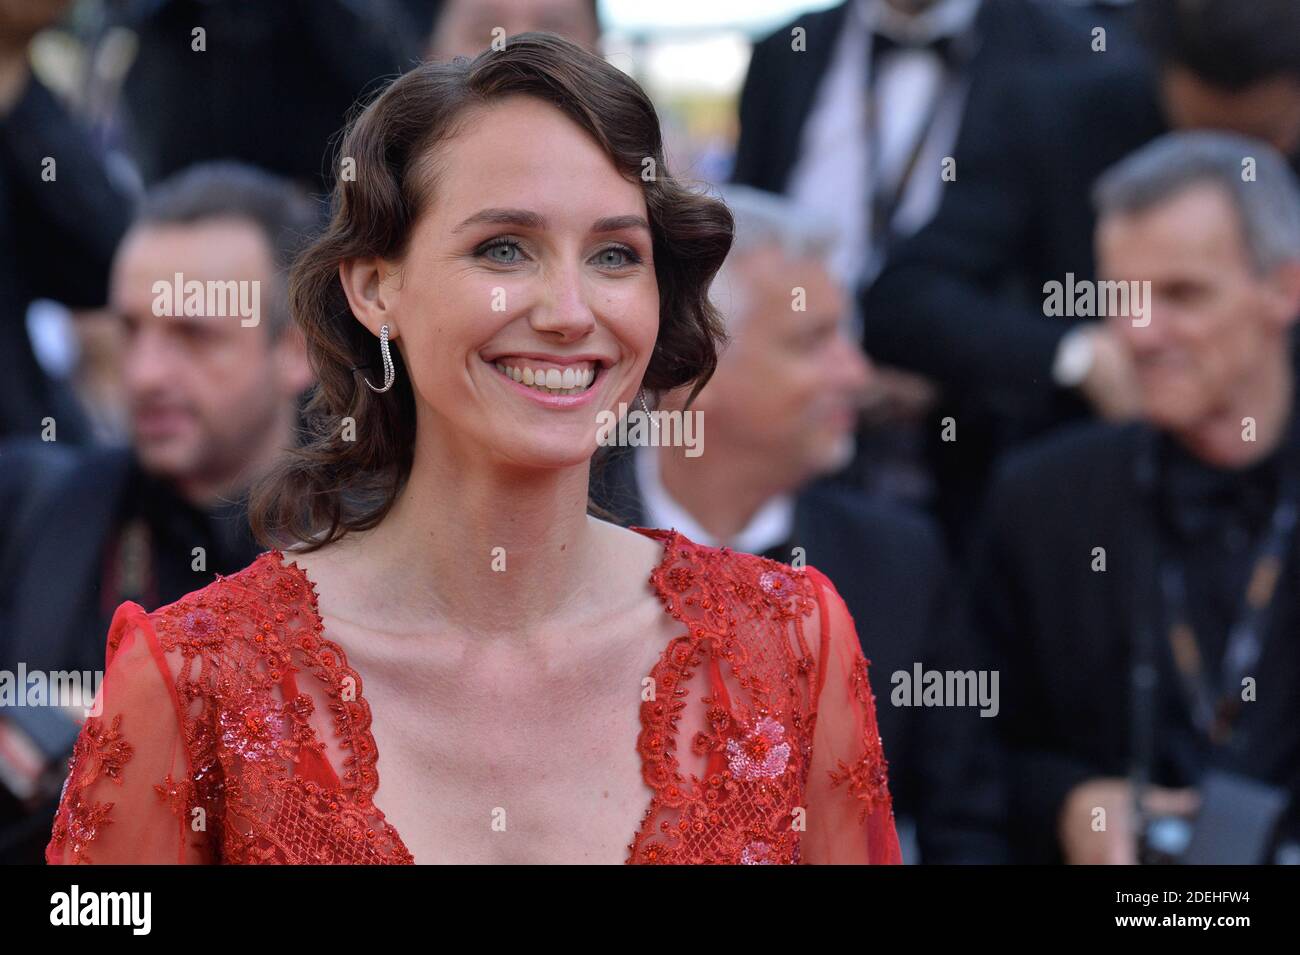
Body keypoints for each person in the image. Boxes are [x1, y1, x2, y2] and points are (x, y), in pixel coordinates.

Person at [44, 33, 902, 865]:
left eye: (613, 254)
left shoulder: (789, 647)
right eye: (504, 248)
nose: (570, 310)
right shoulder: (193, 679)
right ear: (377, 286)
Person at [590, 184, 1007, 862]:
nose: (857, 372)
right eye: (813, 342)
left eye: (848, 335)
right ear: (694, 366)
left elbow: (966, 826)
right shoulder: (562, 535)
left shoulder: (898, 561)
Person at [969, 131, 1300, 864]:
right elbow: (969, 751)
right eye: (1122, 296)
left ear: (1284, 288)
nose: (1140, 334)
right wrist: (1070, 803)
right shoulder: (1042, 500)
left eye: (1183, 294)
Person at [862, 0, 1300, 549]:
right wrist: (1077, 357)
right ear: (1166, 73)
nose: (1146, 330)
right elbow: (906, 299)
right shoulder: (1056, 118)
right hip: (1088, 512)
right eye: (1200, 138)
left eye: (1261, 144)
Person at [0, 161, 316, 862]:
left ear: (297, 350)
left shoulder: (372, 553)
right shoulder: (33, 509)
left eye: (193, 335)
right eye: (132, 328)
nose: (144, 373)